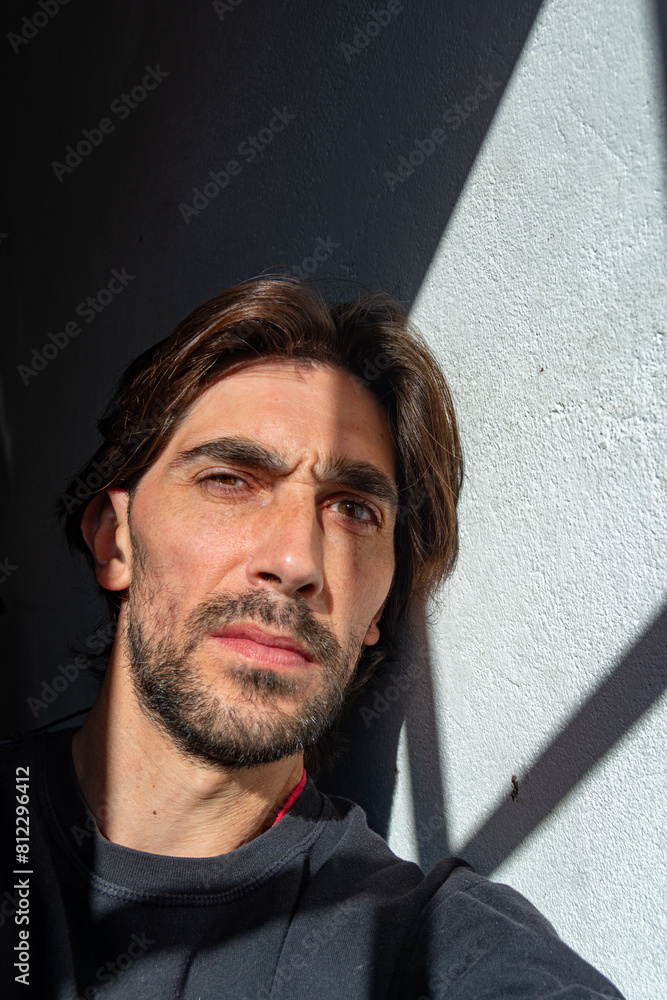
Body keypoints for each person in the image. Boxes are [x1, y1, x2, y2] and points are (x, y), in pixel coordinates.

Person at [0, 277, 623, 999]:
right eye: (230, 479)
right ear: (116, 544)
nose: (297, 561)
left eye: (354, 510)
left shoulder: (425, 947)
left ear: (379, 608)